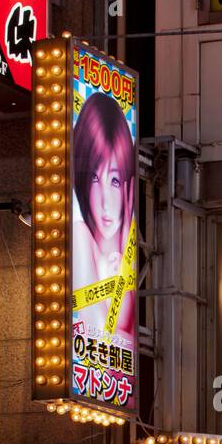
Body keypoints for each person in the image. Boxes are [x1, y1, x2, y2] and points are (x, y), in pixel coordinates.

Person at [72, 92, 136, 342]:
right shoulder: (79, 236)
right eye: (95, 178)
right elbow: (98, 335)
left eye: (115, 180)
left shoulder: (125, 254)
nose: (105, 202)